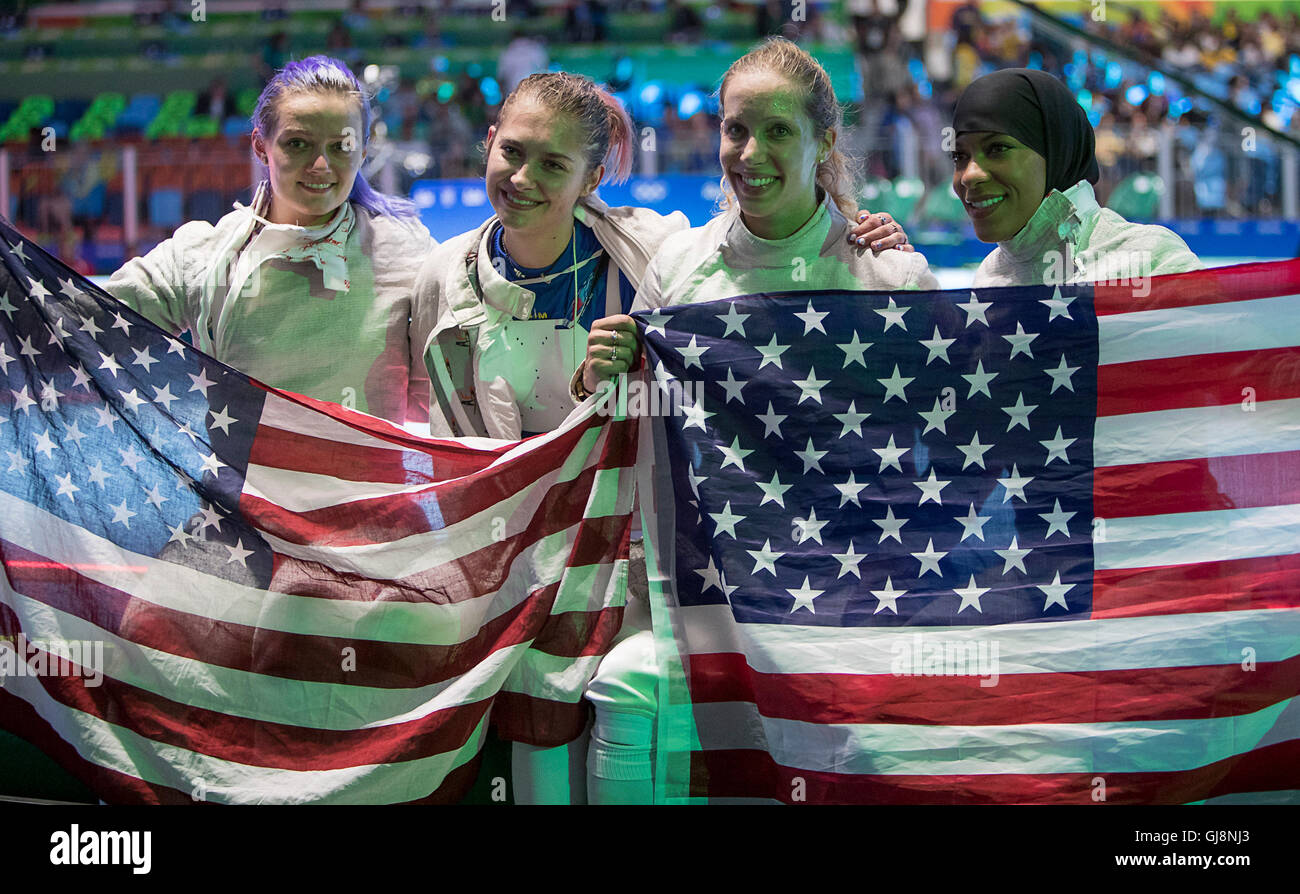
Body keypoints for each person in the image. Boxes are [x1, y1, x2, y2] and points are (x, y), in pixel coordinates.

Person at [411, 68, 909, 802]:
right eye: (513, 152)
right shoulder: (442, 277)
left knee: (619, 701)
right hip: (511, 558)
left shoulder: (655, 255)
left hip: (645, 558)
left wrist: (873, 237)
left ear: (592, 178)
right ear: (487, 144)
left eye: (554, 164)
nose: (524, 178)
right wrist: (594, 383)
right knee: (533, 728)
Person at [576, 37, 939, 804]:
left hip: (852, 597)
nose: (751, 151)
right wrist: (601, 374)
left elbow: (933, 454)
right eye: (737, 129)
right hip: (710, 595)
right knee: (633, 696)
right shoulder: (680, 266)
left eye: (778, 131)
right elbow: (641, 422)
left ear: (826, 142)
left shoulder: (889, 275)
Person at [107, 55, 435, 427]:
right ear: (261, 147)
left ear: (362, 150)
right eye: (298, 144)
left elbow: (446, 397)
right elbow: (86, 323)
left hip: (370, 485)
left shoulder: (406, 252)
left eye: (341, 146)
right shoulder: (206, 253)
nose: (321, 165)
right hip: (241, 485)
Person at [948, 68, 1201, 288]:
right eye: (959, 156)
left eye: (998, 149)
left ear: (1057, 151)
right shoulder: (989, 278)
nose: (969, 176)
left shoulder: (1151, 261)